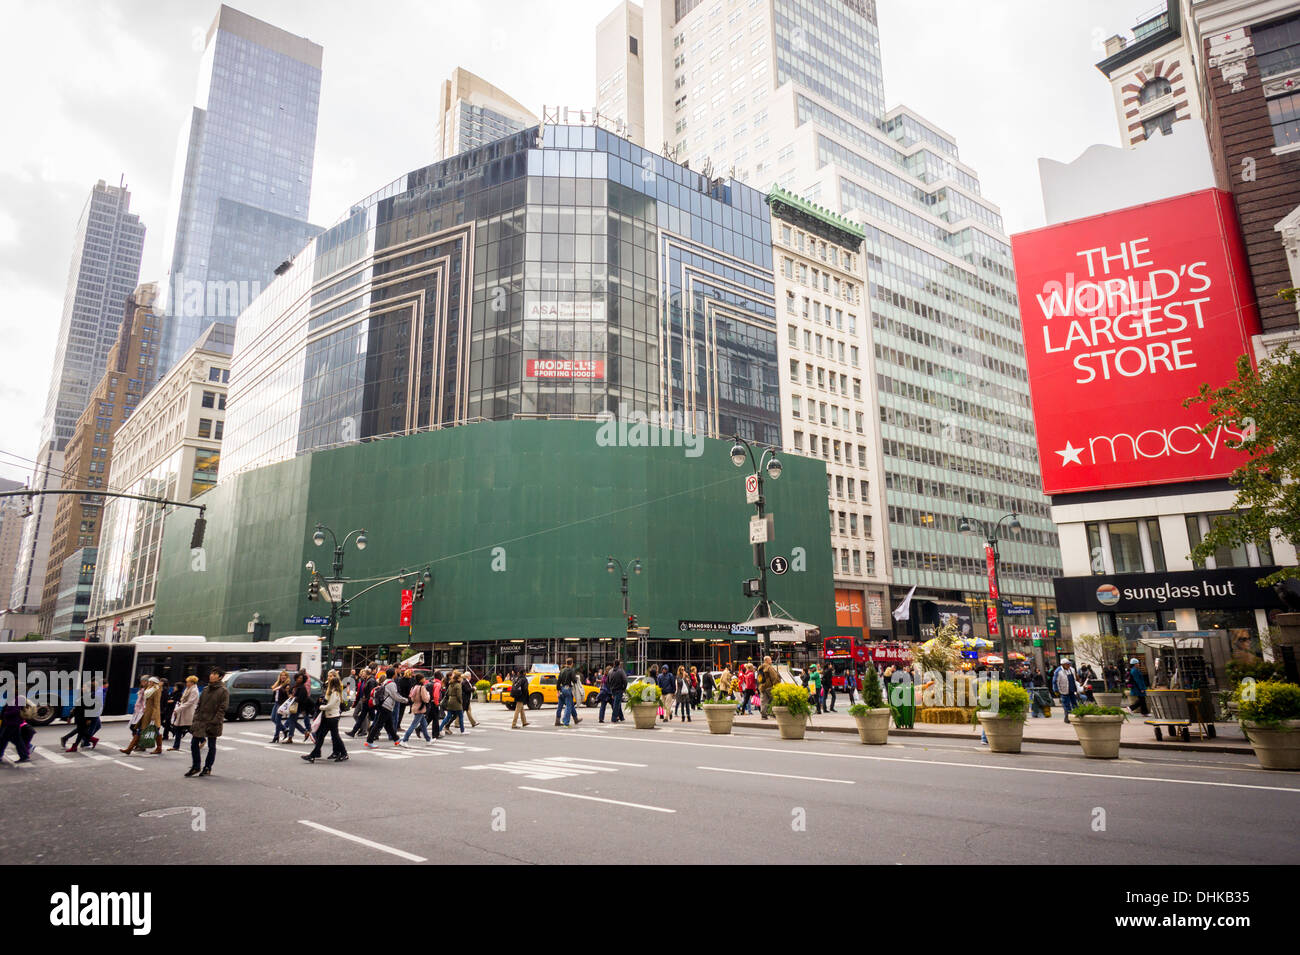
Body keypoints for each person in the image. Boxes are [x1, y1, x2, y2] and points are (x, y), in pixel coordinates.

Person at [186, 669, 229, 777]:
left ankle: (208, 767)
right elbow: (199, 705)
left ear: (220, 677)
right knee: (194, 743)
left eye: (214, 674)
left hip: (213, 722)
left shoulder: (223, 690)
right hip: (200, 720)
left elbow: (223, 708)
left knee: (211, 745)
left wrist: (215, 721)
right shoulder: (205, 689)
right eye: (211, 673)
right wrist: (195, 717)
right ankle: (196, 766)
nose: (211, 675)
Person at [304, 671, 349, 762]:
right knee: (321, 735)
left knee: (335, 736)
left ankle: (344, 753)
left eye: (331, 678)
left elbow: (330, 705)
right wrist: (322, 700)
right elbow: (326, 700)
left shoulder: (335, 693)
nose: (328, 679)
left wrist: (321, 707)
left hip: (332, 717)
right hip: (328, 716)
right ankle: (314, 754)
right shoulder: (330, 690)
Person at [366, 671, 405, 746]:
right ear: (394, 675)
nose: (397, 675)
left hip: (383, 705)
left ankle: (396, 739)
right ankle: (369, 741)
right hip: (386, 706)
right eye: (396, 673)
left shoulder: (386, 682)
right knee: (378, 724)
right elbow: (395, 695)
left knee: (389, 725)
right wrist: (405, 700)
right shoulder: (392, 684)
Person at [401, 674, 433, 744]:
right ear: (421, 679)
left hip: (415, 706)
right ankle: (404, 740)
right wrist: (428, 695)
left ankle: (428, 739)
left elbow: (411, 698)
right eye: (423, 678)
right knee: (414, 725)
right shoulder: (422, 688)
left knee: (424, 724)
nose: (424, 679)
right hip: (420, 708)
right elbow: (425, 699)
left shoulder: (414, 687)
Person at [170, 676, 200, 750]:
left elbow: (190, 702)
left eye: (188, 682)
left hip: (188, 712)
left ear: (192, 682)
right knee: (179, 728)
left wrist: (179, 709)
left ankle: (202, 739)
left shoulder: (194, 691)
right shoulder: (188, 689)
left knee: (189, 728)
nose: (186, 683)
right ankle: (176, 746)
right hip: (183, 711)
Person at [0, 697, 33, 763]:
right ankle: (25, 756)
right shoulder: (14, 698)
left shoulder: (18, 698)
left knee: (3, 740)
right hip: (13, 723)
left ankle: (25, 756)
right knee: (17, 740)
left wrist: (5, 714)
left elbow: (16, 711)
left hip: (12, 723)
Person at [289, 672, 316, 745]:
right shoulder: (295, 686)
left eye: (301, 678)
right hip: (294, 706)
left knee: (292, 721)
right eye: (298, 678)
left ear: (303, 679)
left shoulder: (302, 688)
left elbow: (301, 699)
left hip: (298, 707)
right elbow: (290, 692)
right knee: (292, 721)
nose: (299, 679)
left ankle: (303, 732)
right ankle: (291, 737)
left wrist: (293, 697)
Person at [1052, 658, 1080, 722]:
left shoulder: (1072, 670)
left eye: (1069, 664)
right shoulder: (1058, 671)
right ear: (1063, 665)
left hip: (1072, 689)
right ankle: (1067, 718)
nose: (1068, 665)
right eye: (1067, 664)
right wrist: (1056, 690)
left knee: (1075, 703)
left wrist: (1077, 688)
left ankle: (1076, 716)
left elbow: (1075, 679)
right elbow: (1055, 681)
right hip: (1064, 690)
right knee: (1066, 705)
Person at [439, 670, 466, 735]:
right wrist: (461, 702)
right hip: (456, 702)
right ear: (458, 678)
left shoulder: (451, 684)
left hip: (450, 701)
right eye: (461, 677)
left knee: (448, 716)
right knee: (461, 716)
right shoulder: (458, 685)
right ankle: (462, 731)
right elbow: (459, 696)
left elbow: (447, 693)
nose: (462, 679)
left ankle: (439, 728)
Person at [557, 658, 583, 727]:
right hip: (568, 689)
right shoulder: (571, 670)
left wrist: (558, 691)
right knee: (568, 706)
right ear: (571, 663)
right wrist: (576, 679)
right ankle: (566, 722)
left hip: (561, 689)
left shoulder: (562, 671)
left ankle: (557, 721)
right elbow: (574, 680)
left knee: (561, 706)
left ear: (566, 663)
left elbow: (558, 681)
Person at [270, 671, 293, 743]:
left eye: (284, 675)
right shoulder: (278, 683)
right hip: (276, 703)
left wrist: (282, 689)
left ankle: (276, 737)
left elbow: (287, 694)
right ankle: (284, 729)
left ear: (287, 677)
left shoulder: (287, 685)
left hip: (282, 704)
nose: (283, 677)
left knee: (277, 720)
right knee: (273, 718)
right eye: (281, 675)